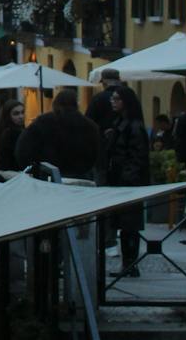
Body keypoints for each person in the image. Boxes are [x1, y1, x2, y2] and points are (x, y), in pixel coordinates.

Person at [97, 87, 151, 276]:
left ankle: (130, 264)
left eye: (117, 99)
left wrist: (127, 180)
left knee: (129, 226)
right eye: (112, 99)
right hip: (120, 180)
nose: (113, 102)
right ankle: (128, 263)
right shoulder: (121, 123)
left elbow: (137, 157)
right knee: (124, 226)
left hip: (128, 184)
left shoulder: (134, 126)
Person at [15, 88, 100, 180]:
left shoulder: (43, 122)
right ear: (76, 103)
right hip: (81, 176)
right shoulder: (90, 126)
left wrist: (35, 170)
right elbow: (96, 154)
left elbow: (22, 149)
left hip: (49, 176)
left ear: (55, 103)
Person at [0, 100, 26, 171]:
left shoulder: (3, 131)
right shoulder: (11, 133)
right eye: (16, 114)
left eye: (23, 112)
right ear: (8, 116)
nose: (21, 116)